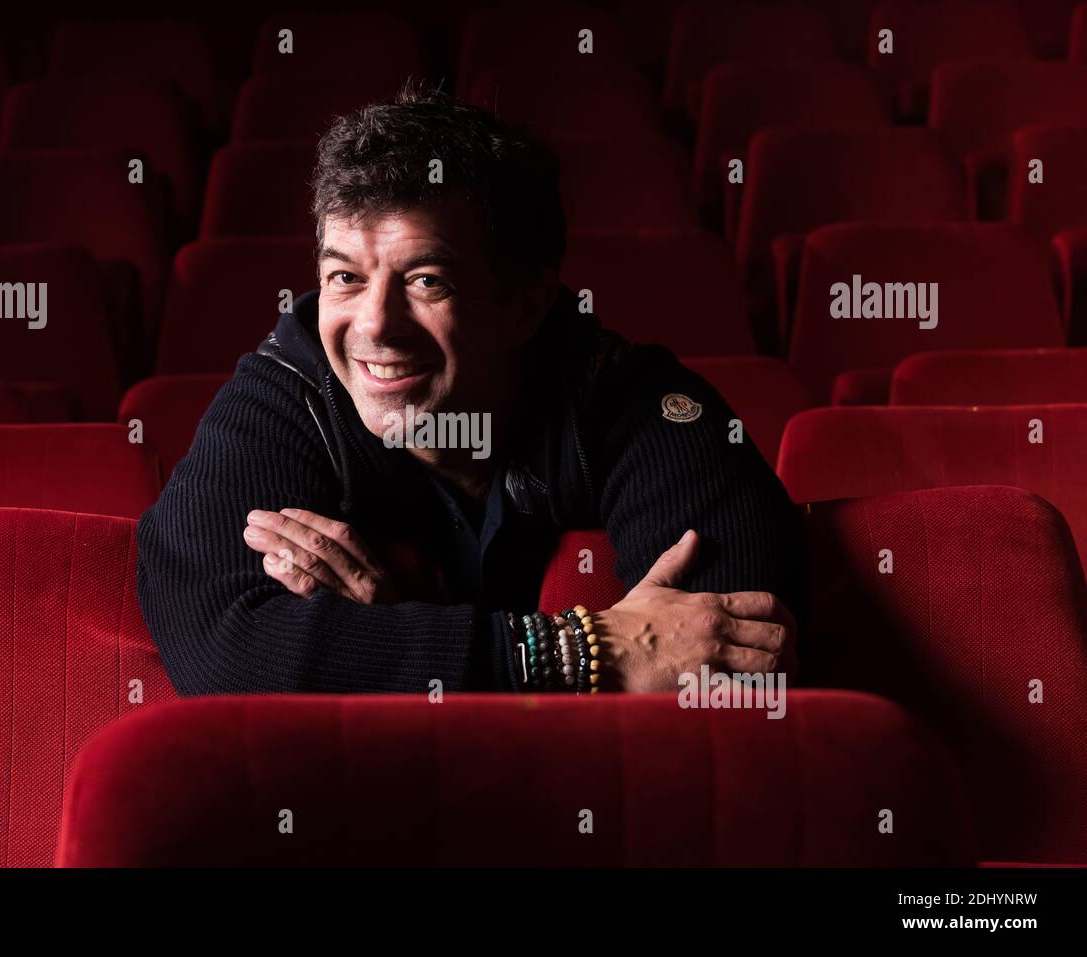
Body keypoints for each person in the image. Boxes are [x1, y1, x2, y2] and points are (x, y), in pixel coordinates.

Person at [136, 84, 804, 695]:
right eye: (345, 278)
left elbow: (735, 667)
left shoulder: (636, 400)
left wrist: (387, 653)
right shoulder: (288, 393)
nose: (374, 325)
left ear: (526, 305)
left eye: (428, 280)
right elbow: (226, 654)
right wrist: (576, 651)